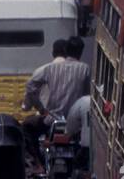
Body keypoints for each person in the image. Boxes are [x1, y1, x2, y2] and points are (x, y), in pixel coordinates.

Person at [22, 37, 89, 166]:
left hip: (51, 120)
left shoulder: (49, 69)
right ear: (80, 52)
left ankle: (38, 164)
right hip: (76, 122)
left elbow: (30, 86)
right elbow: (87, 96)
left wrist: (41, 109)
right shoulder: (85, 69)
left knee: (26, 127)